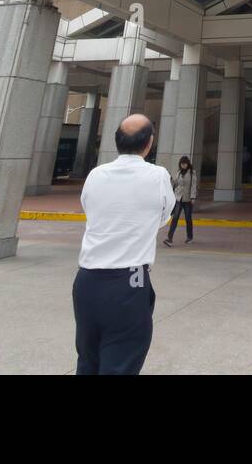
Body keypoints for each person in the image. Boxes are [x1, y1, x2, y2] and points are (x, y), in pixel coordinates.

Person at [73, 114, 174, 375]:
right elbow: (163, 217)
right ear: (149, 143)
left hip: (86, 281)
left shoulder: (95, 175)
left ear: (117, 141)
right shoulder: (158, 175)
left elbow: (90, 209)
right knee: (121, 364)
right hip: (130, 280)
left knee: (88, 362)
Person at [163, 154, 198, 247]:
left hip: (187, 200)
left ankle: (189, 237)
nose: (183, 165)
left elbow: (193, 186)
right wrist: (170, 178)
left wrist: (193, 197)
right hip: (178, 198)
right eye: (182, 164)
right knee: (175, 218)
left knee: (188, 219)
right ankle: (169, 239)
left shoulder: (192, 173)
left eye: (185, 164)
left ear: (188, 164)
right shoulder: (178, 172)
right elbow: (176, 184)